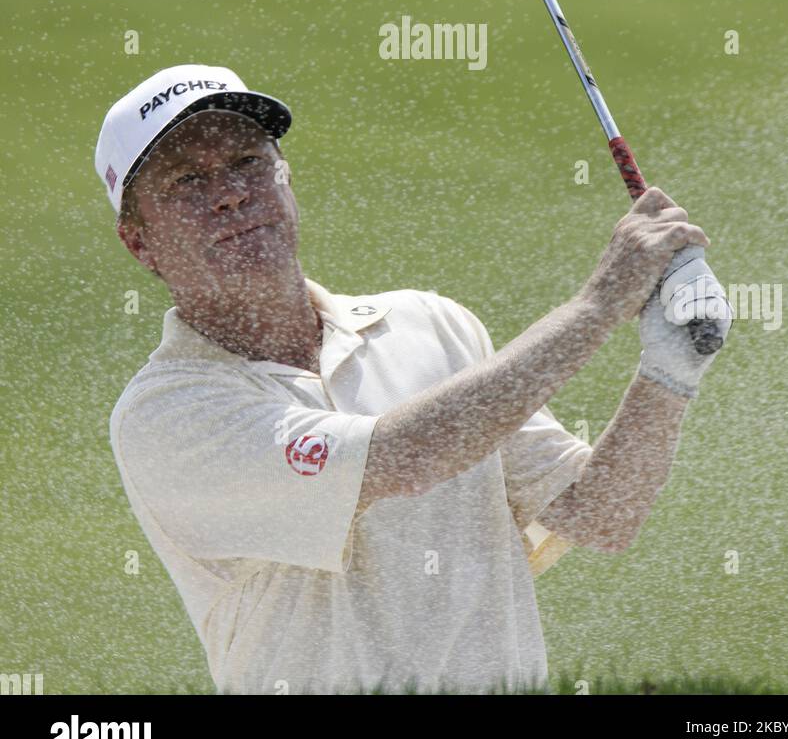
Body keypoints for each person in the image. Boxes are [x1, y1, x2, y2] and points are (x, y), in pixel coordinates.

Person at [96, 62, 731, 695]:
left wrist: (670, 368)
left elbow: (600, 515)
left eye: (248, 163)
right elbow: (403, 456)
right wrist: (599, 305)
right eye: (187, 180)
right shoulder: (167, 414)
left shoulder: (430, 323)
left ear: (286, 180)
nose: (230, 193)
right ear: (139, 243)